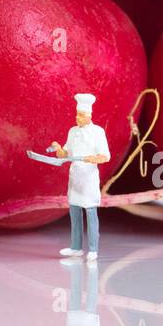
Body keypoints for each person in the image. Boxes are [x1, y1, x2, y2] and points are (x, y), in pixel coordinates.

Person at [49, 92, 110, 262]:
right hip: (75, 176)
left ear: (89, 116)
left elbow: (106, 156)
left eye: (81, 115)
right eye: (77, 114)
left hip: (89, 178)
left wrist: (94, 158)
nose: (77, 118)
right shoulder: (72, 132)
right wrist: (58, 148)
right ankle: (76, 247)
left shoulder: (98, 132)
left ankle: (93, 249)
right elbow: (65, 154)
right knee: (74, 213)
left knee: (91, 213)